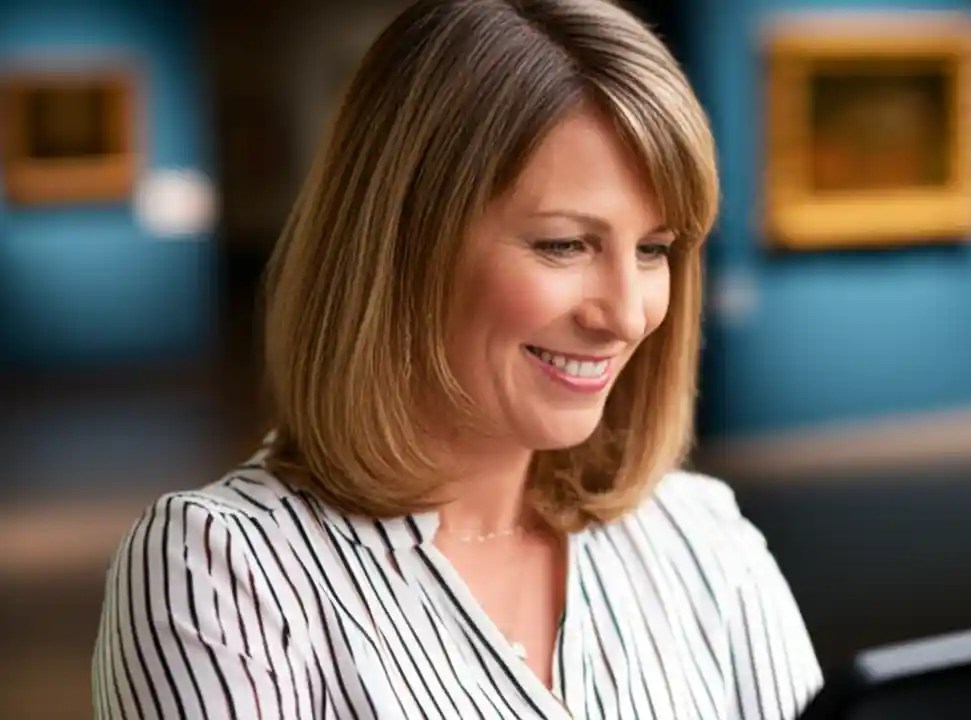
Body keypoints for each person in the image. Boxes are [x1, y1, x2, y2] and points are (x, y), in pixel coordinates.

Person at [91, 0, 823, 717]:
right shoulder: (224, 571)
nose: (628, 315)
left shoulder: (699, 533)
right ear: (401, 244)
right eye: (564, 244)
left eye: (654, 250)